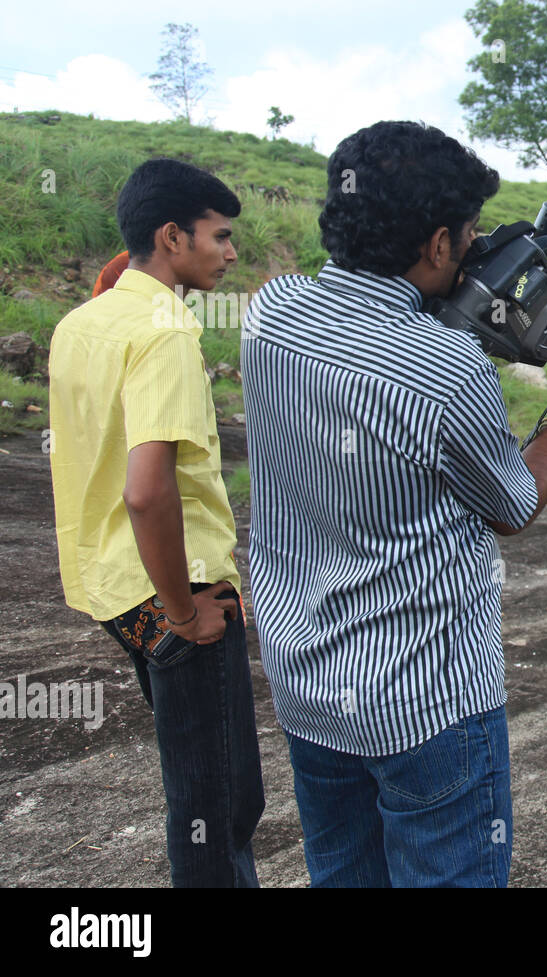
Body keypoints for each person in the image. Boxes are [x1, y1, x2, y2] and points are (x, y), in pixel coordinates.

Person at [241, 121, 547, 888]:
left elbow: (382, 336)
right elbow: (512, 505)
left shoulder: (270, 313)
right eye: (469, 234)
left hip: (308, 686)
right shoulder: (446, 369)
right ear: (439, 246)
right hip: (428, 709)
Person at [47, 158, 265, 886]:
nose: (231, 253)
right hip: (177, 591)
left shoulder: (83, 322)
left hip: (114, 587)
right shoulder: (166, 334)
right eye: (220, 236)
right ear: (173, 236)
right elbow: (149, 491)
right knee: (218, 810)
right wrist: (185, 611)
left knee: (204, 794)